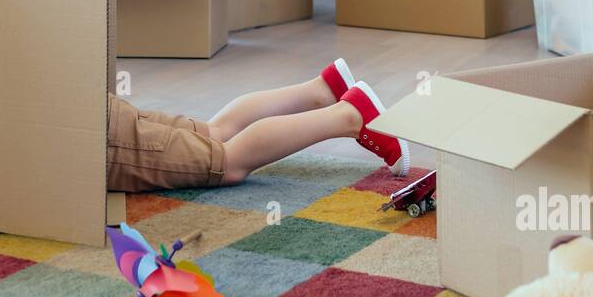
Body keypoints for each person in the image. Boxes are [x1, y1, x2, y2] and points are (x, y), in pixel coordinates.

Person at [106, 58, 410, 193]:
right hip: (101, 113)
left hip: (98, 143)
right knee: (215, 132)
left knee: (227, 162)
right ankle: (322, 91)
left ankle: (350, 117)